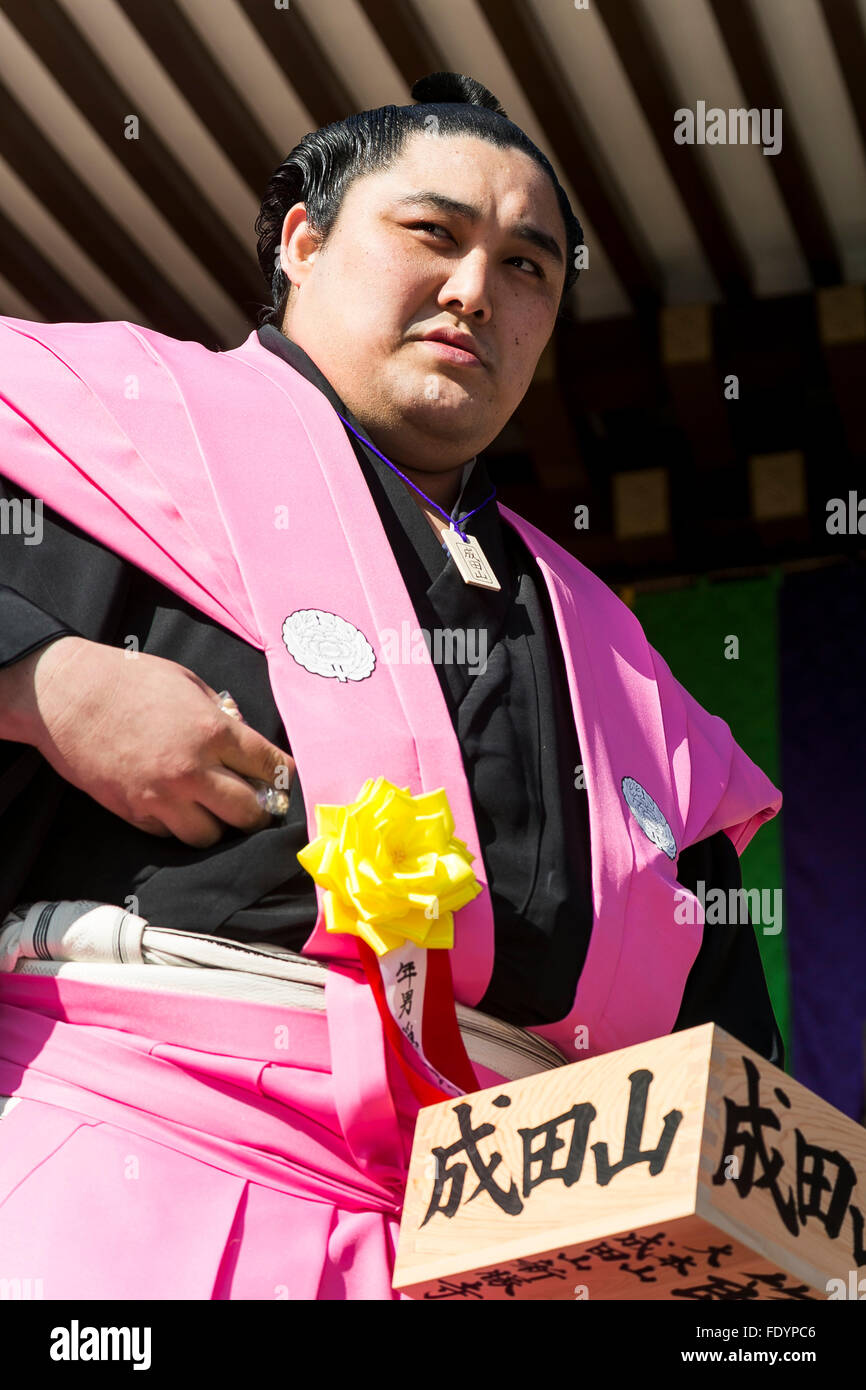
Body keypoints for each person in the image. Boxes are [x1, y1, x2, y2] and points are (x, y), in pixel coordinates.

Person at [0, 73, 783, 1300]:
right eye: (433, 234)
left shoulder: (625, 665)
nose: (478, 289)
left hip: (514, 1246)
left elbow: (721, 1050)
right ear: (302, 243)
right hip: (135, 1185)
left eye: (529, 267)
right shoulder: (88, 419)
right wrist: (38, 679)